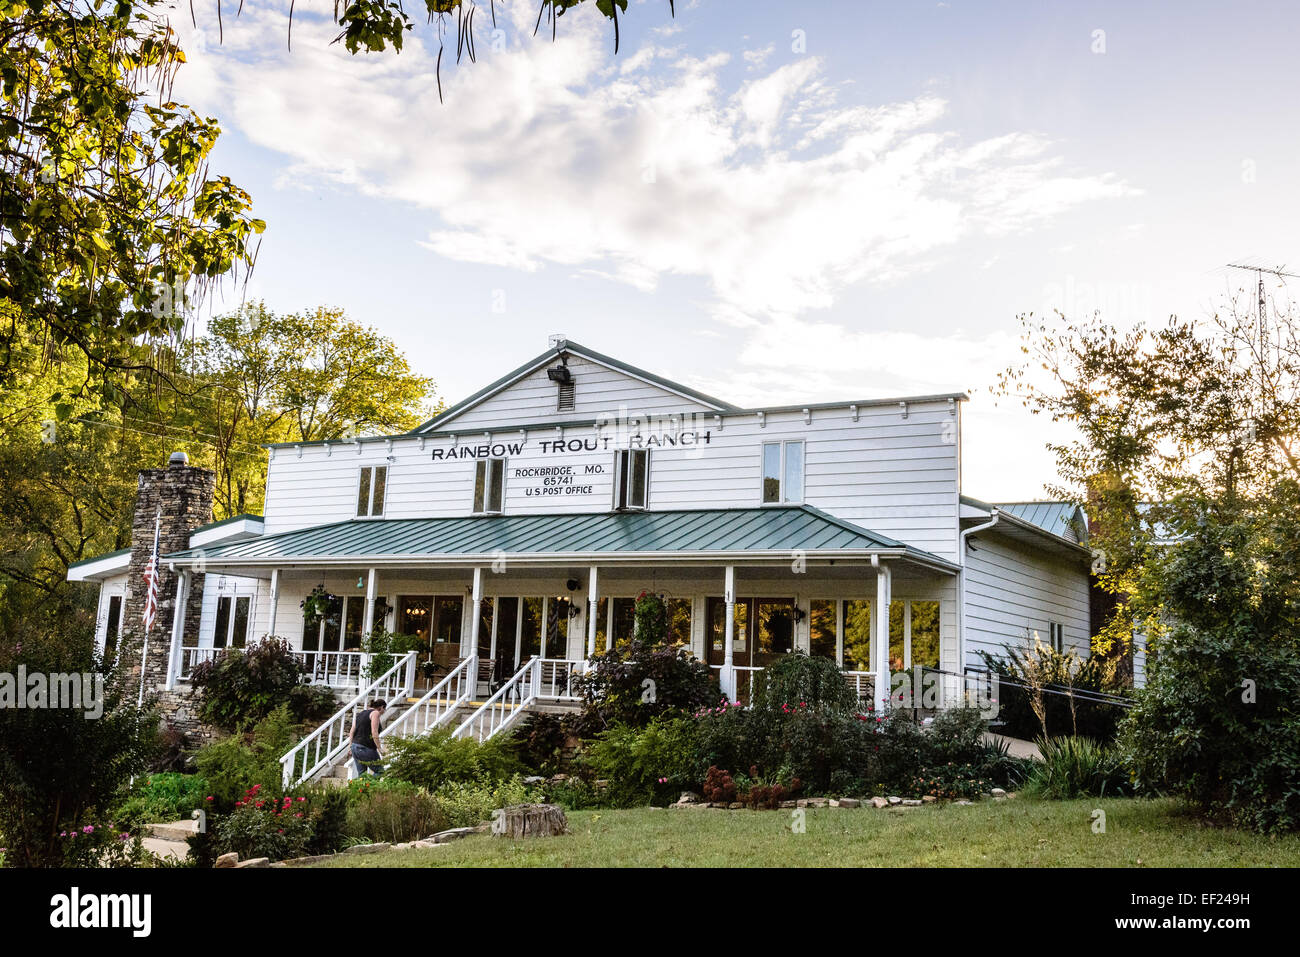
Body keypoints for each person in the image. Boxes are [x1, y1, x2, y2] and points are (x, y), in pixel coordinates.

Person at [349, 699, 387, 777]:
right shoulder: (375, 713)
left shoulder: (361, 713)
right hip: (365, 747)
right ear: (382, 707)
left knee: (362, 775)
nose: (384, 711)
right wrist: (379, 748)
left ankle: (363, 789)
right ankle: (370, 786)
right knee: (380, 772)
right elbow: (374, 732)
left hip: (355, 747)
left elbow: (352, 730)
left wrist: (350, 746)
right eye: (384, 709)